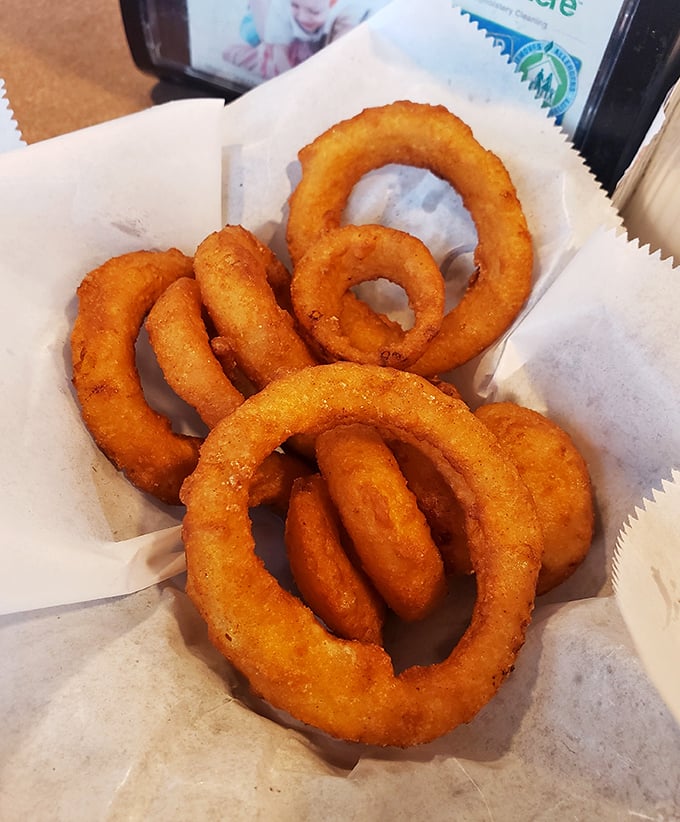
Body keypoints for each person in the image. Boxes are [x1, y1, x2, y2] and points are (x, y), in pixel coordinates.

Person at [225, 0, 382, 80]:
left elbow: (338, 61)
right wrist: (290, 81)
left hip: (321, 57)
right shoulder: (283, 8)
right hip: (285, 53)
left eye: (313, 12)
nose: (302, 17)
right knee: (249, 48)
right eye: (296, 6)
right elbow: (278, 49)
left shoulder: (350, 11)